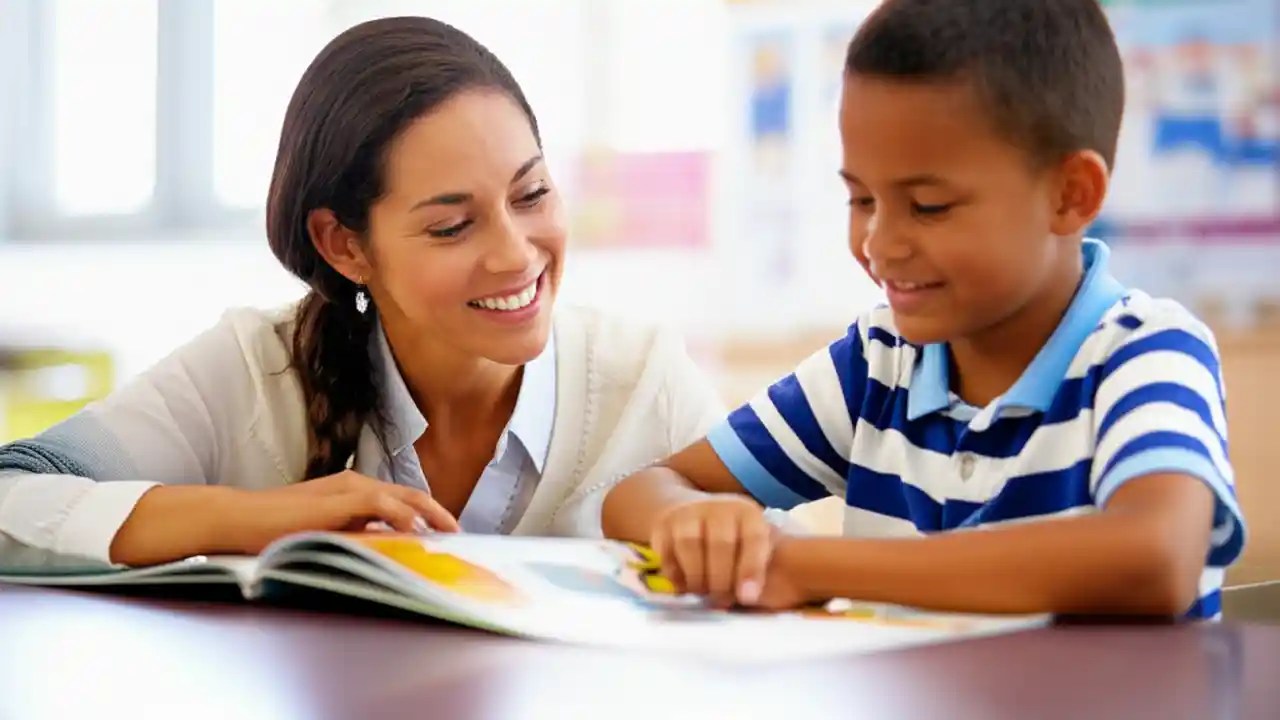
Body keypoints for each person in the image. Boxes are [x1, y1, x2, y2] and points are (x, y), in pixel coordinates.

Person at [0, 17, 723, 569]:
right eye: (451, 226)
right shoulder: (260, 370)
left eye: (531, 193)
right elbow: (13, 497)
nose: (514, 253)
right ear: (344, 245)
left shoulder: (643, 385)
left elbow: (774, 589)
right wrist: (251, 519)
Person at [602, 0, 1245, 620]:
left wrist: (809, 565)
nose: (879, 244)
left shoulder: (1146, 352)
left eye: (928, 206)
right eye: (860, 200)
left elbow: (1155, 560)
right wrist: (697, 526)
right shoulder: (879, 363)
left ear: (1071, 195)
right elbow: (640, 493)